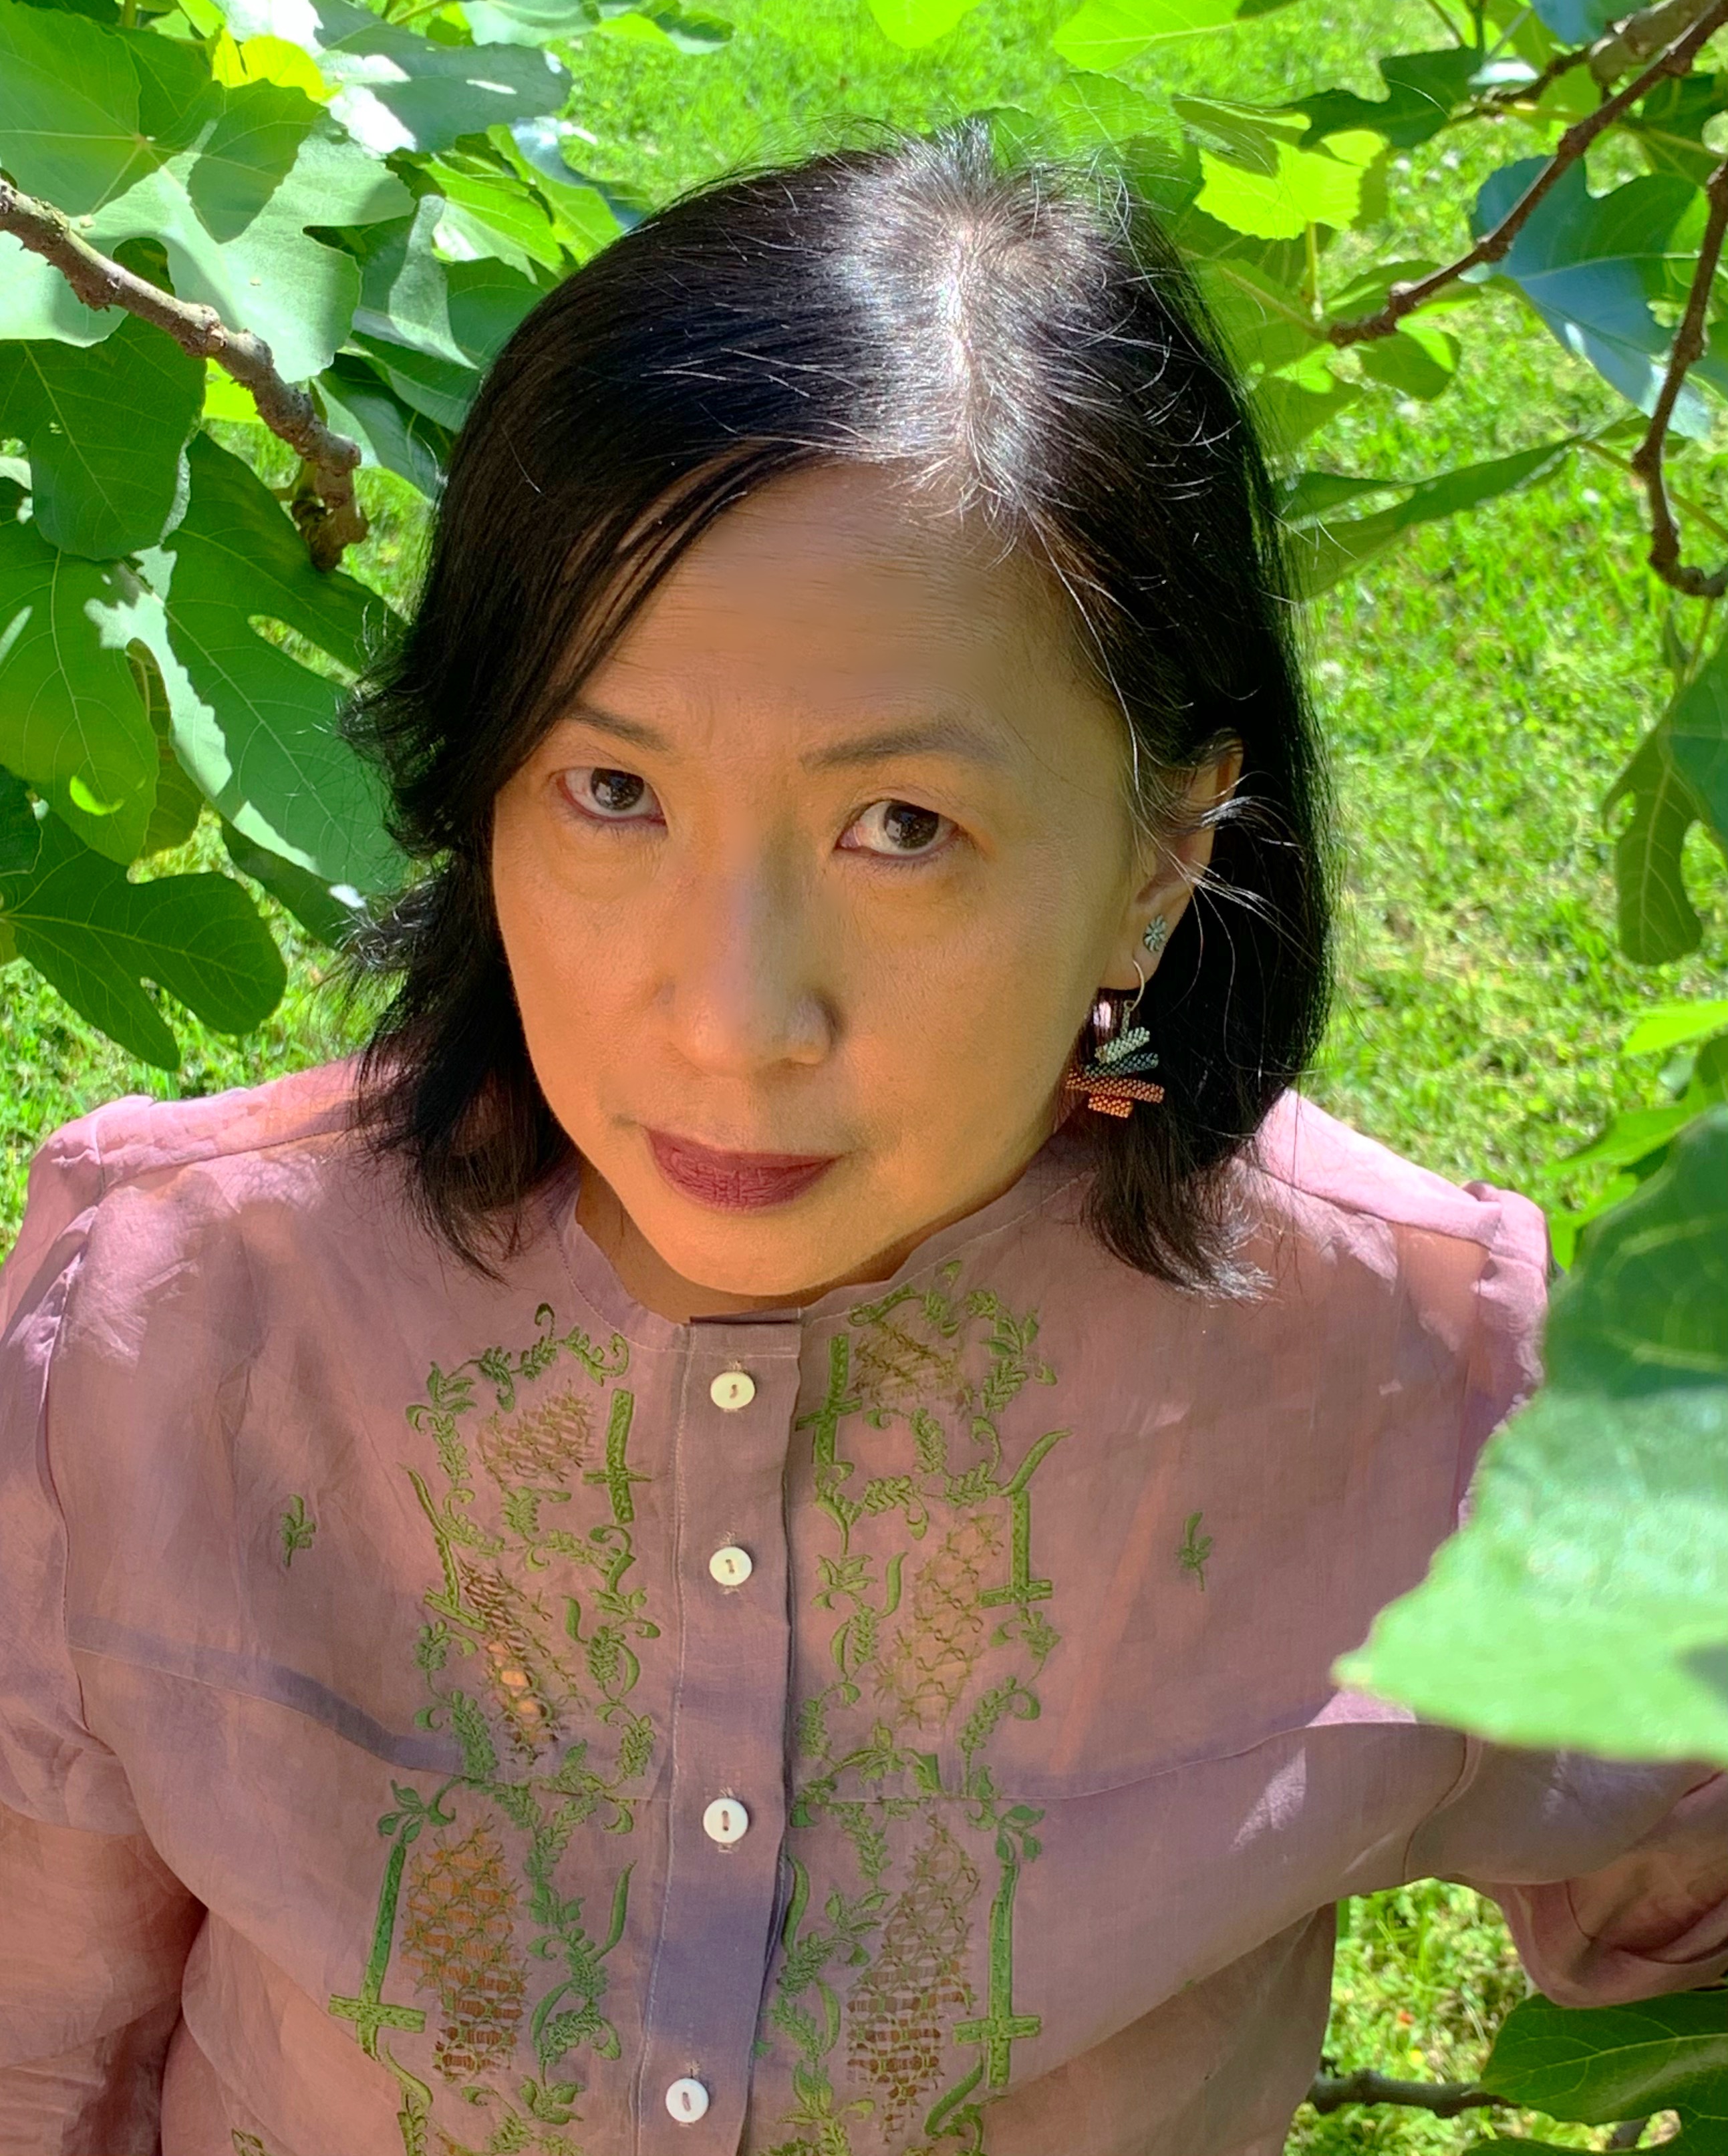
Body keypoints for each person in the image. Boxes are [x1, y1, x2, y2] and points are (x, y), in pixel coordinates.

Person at [1, 129, 1723, 2156]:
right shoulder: (171, 1323)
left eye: (901, 828)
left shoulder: (1407, 1379)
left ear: (1161, 855)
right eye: (614, 791)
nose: (733, 1019)